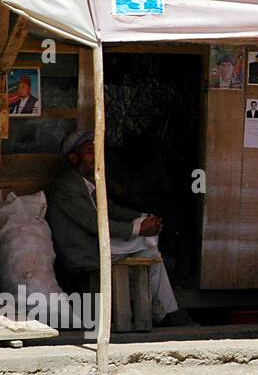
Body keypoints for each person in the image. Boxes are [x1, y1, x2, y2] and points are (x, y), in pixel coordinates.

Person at [44, 130, 196, 328]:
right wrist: (140, 229)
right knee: (147, 244)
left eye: (97, 150)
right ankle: (166, 312)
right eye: (90, 151)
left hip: (97, 245)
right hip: (84, 252)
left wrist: (142, 217)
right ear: (74, 158)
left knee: (150, 250)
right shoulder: (68, 187)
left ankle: (166, 311)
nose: (96, 156)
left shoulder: (88, 183)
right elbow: (95, 223)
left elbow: (112, 210)